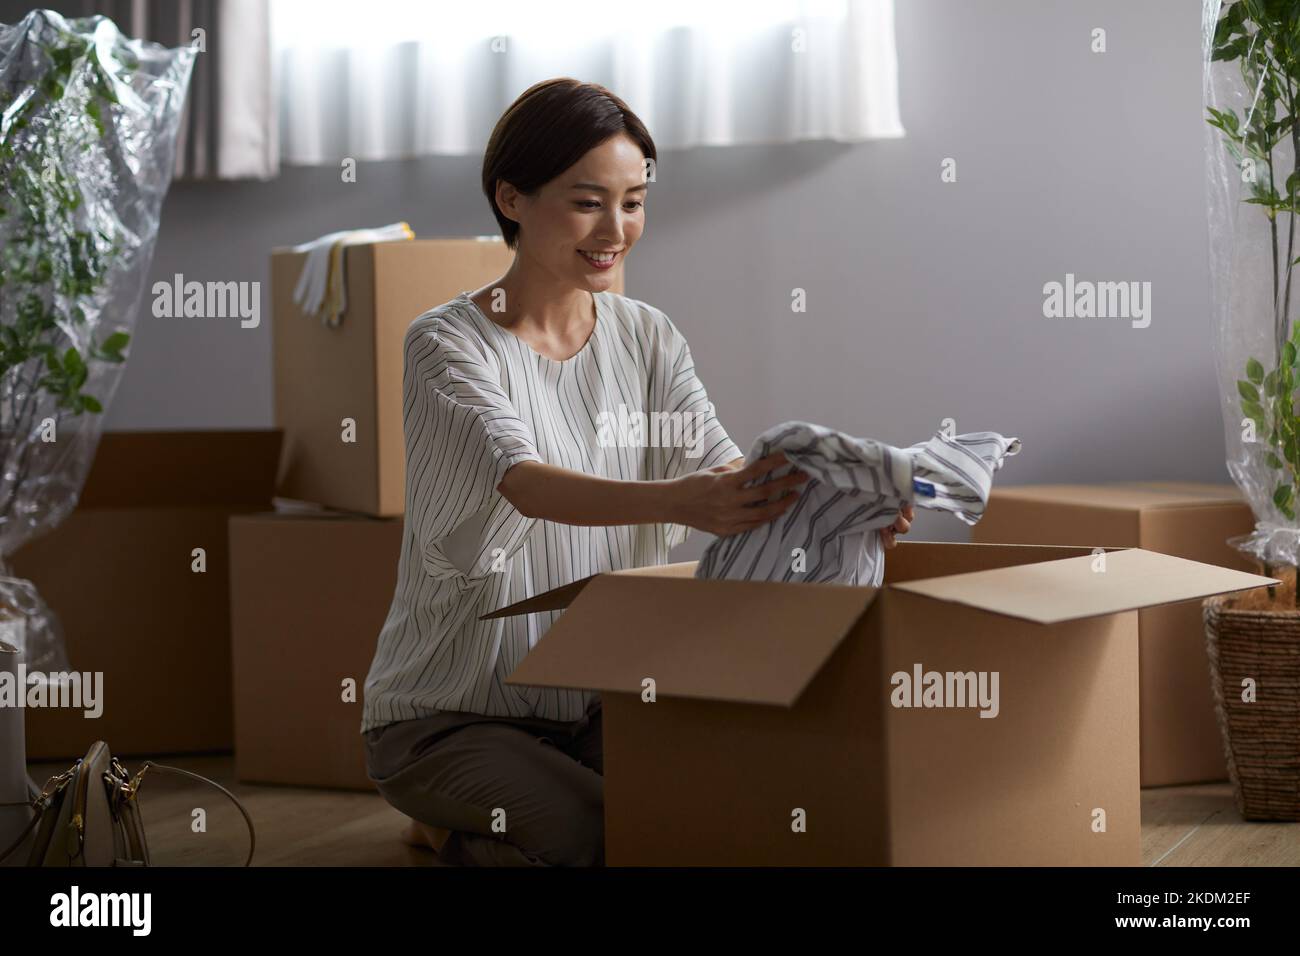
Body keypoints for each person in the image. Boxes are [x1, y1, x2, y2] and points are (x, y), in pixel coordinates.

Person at [360, 77, 913, 866]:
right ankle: (447, 818)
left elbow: (726, 470)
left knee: (711, 819)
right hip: (451, 716)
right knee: (600, 838)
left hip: (608, 701)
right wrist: (690, 502)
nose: (615, 229)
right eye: (588, 202)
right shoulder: (446, 343)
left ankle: (488, 820)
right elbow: (526, 481)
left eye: (635, 200)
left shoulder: (648, 335)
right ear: (511, 198)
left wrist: (844, 506)